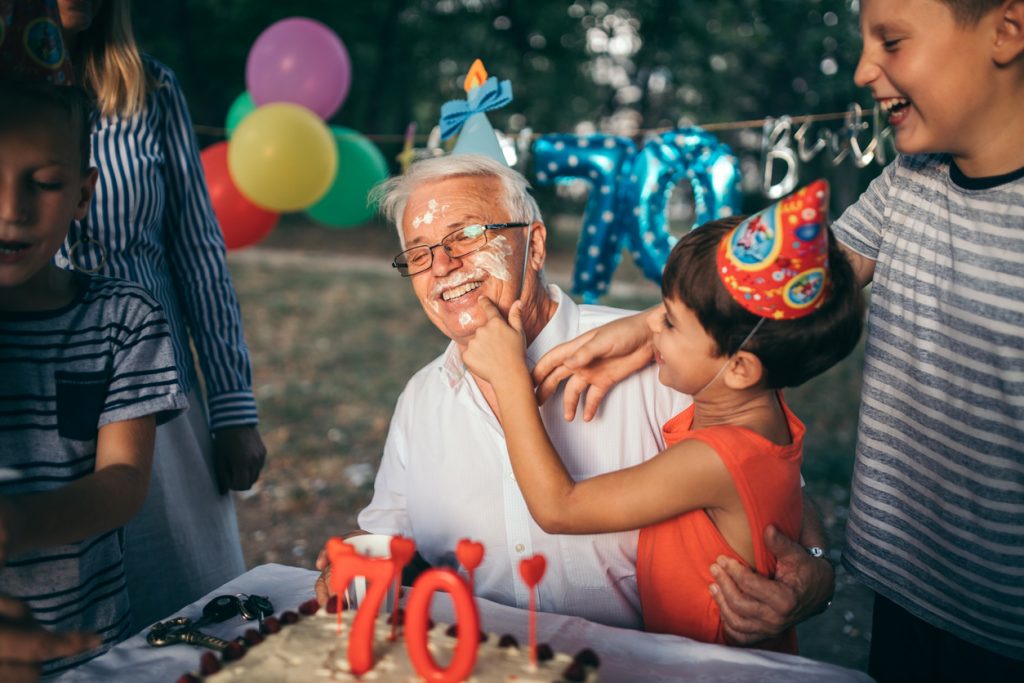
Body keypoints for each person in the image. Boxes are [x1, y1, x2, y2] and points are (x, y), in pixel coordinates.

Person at [532, 0, 1024, 678]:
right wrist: (647, 327)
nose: (861, 70)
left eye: (892, 41)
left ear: (1008, 30)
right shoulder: (909, 181)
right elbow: (779, 306)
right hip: (905, 594)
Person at [315, 153, 835, 636]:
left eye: (467, 235)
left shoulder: (663, 361)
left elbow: (769, 482)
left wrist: (813, 570)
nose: (442, 265)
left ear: (535, 245)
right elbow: (388, 539)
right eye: (418, 253)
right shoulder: (421, 398)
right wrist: (356, 564)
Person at [462, 182, 864, 652]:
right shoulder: (765, 412)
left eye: (669, 321)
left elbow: (560, 508)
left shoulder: (715, 459)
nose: (649, 325)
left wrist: (512, 380)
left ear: (739, 368)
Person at [52, 0, 267, 630]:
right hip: (26, 394)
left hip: (152, 395)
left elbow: (198, 249)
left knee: (192, 616)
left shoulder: (149, 88)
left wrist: (233, 407)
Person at [0, 2, 187, 673]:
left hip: (88, 649)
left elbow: (123, 483)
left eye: (44, 184)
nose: (11, 210)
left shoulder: (122, 321)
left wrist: (18, 523)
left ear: (83, 193)